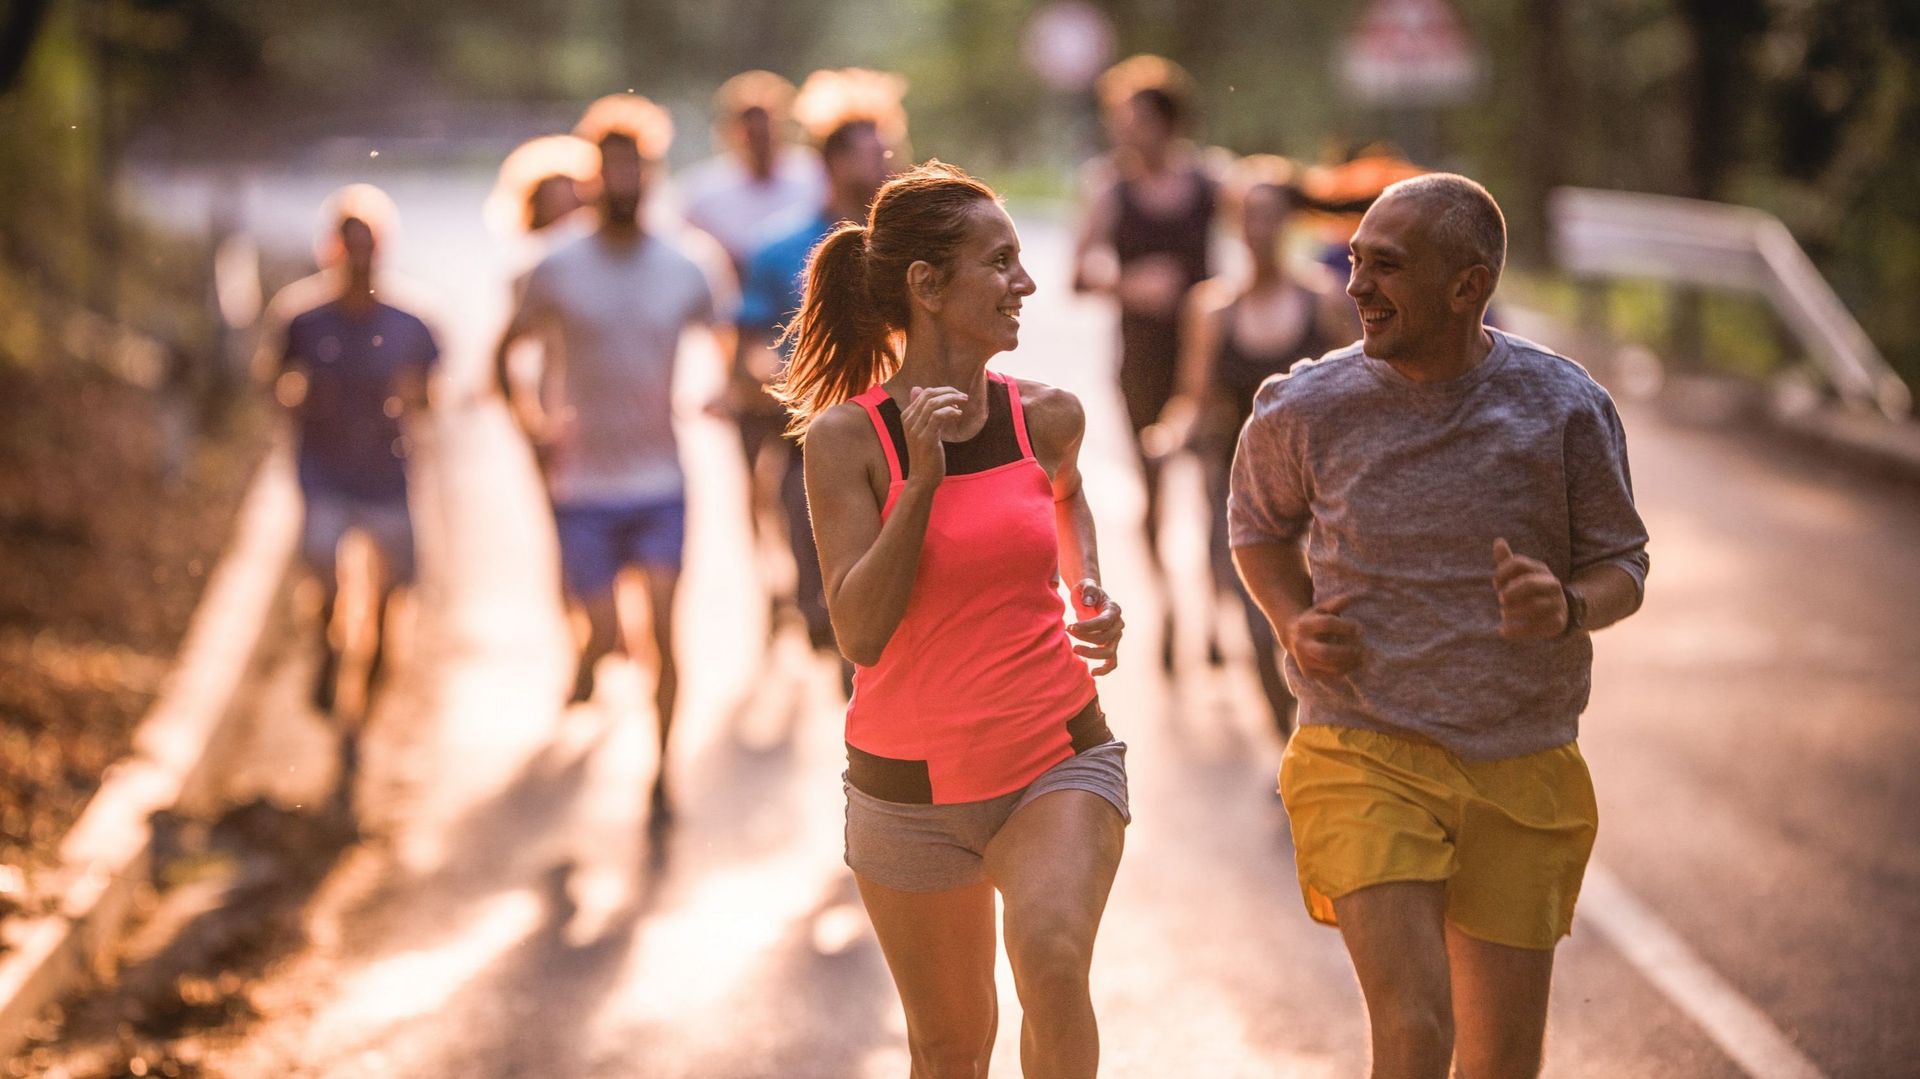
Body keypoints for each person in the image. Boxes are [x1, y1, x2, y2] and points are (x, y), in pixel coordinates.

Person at [1230, 174, 1650, 1079]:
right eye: (1354, 261)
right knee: (1417, 1029)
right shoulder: (1305, 407)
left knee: (1502, 1063)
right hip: (1360, 743)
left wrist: (1569, 606)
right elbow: (1256, 526)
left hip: (1521, 754)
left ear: (1468, 286)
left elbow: (1624, 563)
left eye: (1386, 266)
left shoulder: (1563, 406)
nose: (1355, 286)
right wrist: (1292, 619)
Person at [779, 162, 1128, 1078]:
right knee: (949, 1046)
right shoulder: (848, 440)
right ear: (927, 286)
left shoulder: (1047, 415)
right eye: (1000, 262)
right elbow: (860, 632)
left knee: (1053, 960)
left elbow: (1066, 499)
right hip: (909, 789)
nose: (1026, 282)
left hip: (1054, 753)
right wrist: (920, 485)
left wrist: (1089, 586)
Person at [493, 93, 734, 822]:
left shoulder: (687, 264)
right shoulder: (555, 265)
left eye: (636, 168)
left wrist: (726, 388)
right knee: (602, 630)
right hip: (583, 484)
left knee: (663, 629)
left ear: (652, 175)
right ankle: (589, 657)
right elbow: (505, 351)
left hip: (659, 481)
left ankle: (662, 770)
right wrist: (531, 423)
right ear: (592, 176)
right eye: (611, 168)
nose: (624, 181)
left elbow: (727, 339)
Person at [1153, 154, 1357, 738]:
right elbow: (1192, 399)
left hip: (1322, 486)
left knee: (1325, 613)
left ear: (1289, 221)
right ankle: (1286, 740)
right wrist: (1170, 436)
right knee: (1259, 618)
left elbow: (1359, 387)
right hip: (1244, 488)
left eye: (1269, 215)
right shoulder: (1211, 309)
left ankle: (1330, 733)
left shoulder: (1324, 299)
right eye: (1247, 215)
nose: (1258, 228)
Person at [255, 184, 438, 803]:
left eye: (369, 246)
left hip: (387, 476)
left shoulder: (412, 322)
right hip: (325, 471)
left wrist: (408, 399)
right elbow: (272, 382)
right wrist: (300, 401)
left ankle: (361, 721)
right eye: (349, 245)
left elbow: (430, 397)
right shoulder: (302, 318)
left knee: (390, 606)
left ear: (382, 249)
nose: (359, 258)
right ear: (331, 249)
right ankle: (327, 653)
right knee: (325, 577)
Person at [723, 67, 906, 687]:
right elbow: (751, 343)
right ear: (832, 162)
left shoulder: (910, 248)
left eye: (890, 150)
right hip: (812, 441)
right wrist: (778, 375)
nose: (886, 164)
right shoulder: (781, 250)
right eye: (873, 153)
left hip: (903, 438)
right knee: (825, 601)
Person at [1072, 54, 1221, 672]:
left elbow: (1262, 233)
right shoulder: (1111, 191)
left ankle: (1216, 611)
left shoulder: (1210, 184)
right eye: (1119, 120)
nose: (1124, 131)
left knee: (1217, 488)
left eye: (1134, 119)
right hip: (1141, 362)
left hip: (1209, 360)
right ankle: (1169, 606)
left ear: (1168, 122)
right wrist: (1131, 285)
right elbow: (1078, 275)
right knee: (1154, 492)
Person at [676, 69, 827, 279]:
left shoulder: (816, 174)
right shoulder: (701, 192)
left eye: (766, 124)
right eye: (750, 127)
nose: (760, 136)